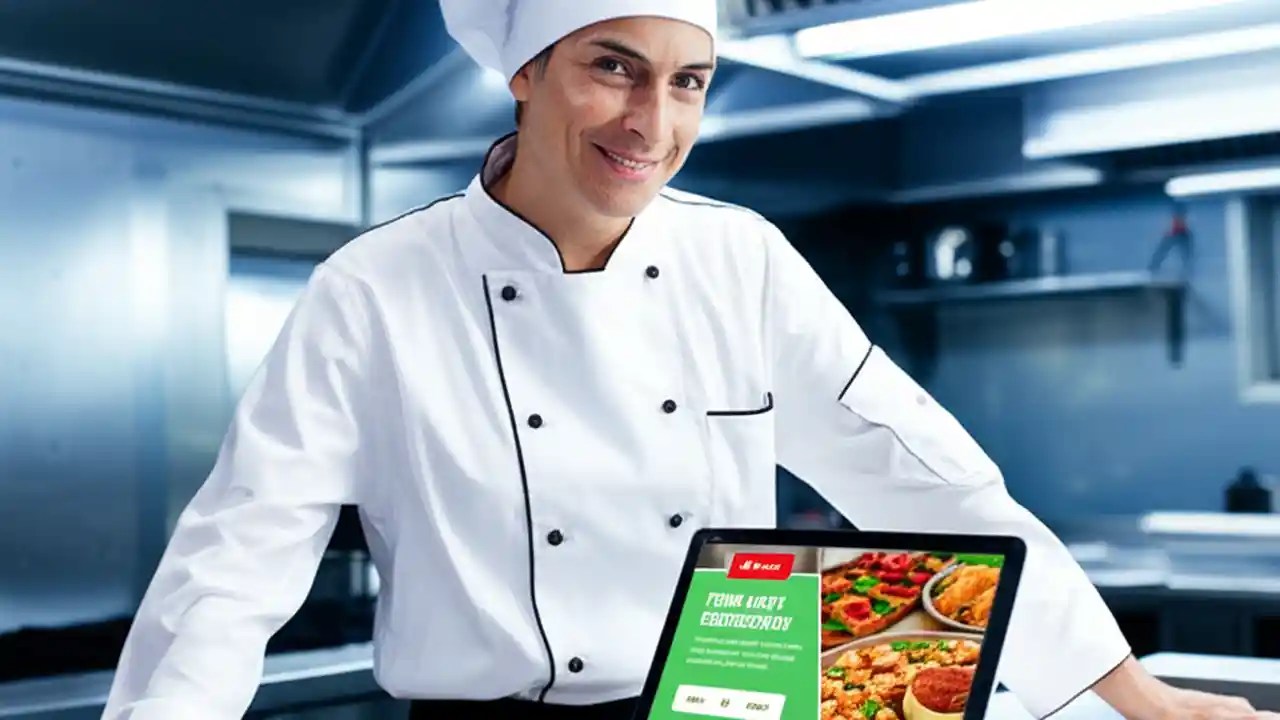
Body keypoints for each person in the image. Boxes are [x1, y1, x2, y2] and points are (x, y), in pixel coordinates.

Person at [102, 1, 1276, 719]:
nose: (650, 124)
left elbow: (929, 487)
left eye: (686, 81)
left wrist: (1129, 694)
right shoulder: (375, 287)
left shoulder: (738, 259)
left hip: (733, 704)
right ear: (523, 70)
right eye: (611, 67)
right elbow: (238, 559)